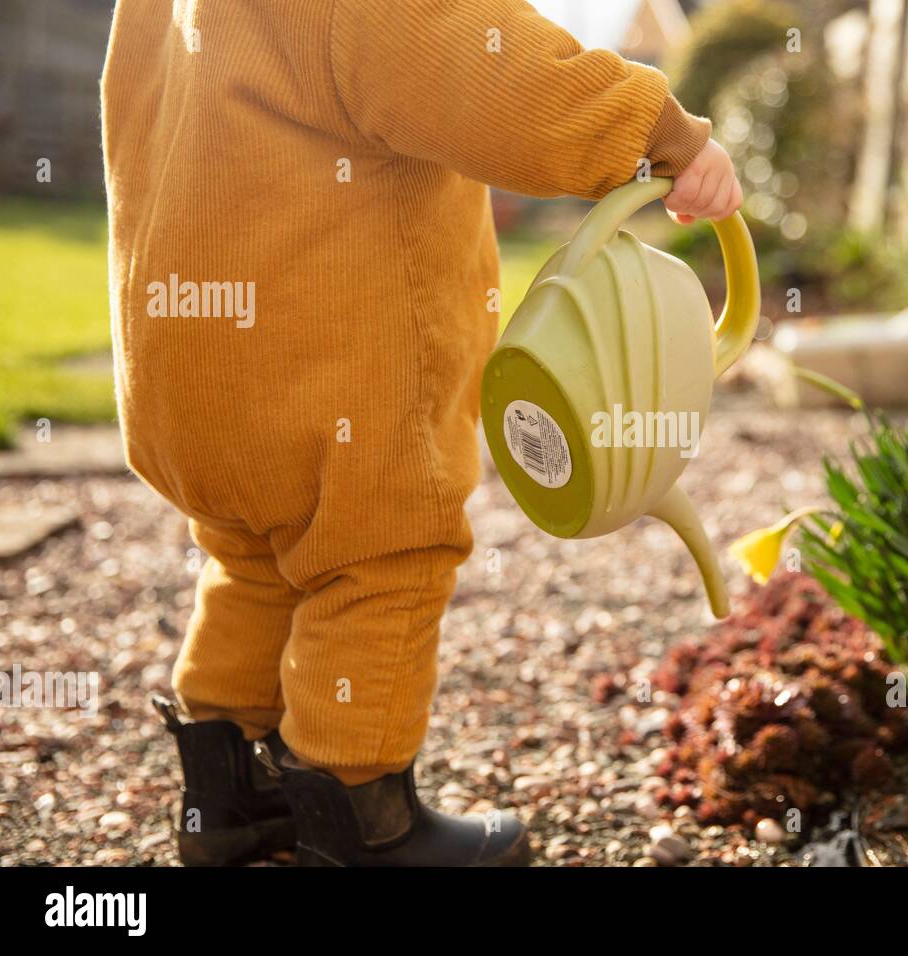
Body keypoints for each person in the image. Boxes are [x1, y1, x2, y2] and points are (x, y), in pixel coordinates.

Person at [102, 0, 742, 866]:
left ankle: (227, 802)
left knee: (253, 559)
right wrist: (660, 133)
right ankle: (361, 816)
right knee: (382, 555)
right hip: (330, 368)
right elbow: (489, 70)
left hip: (186, 374)